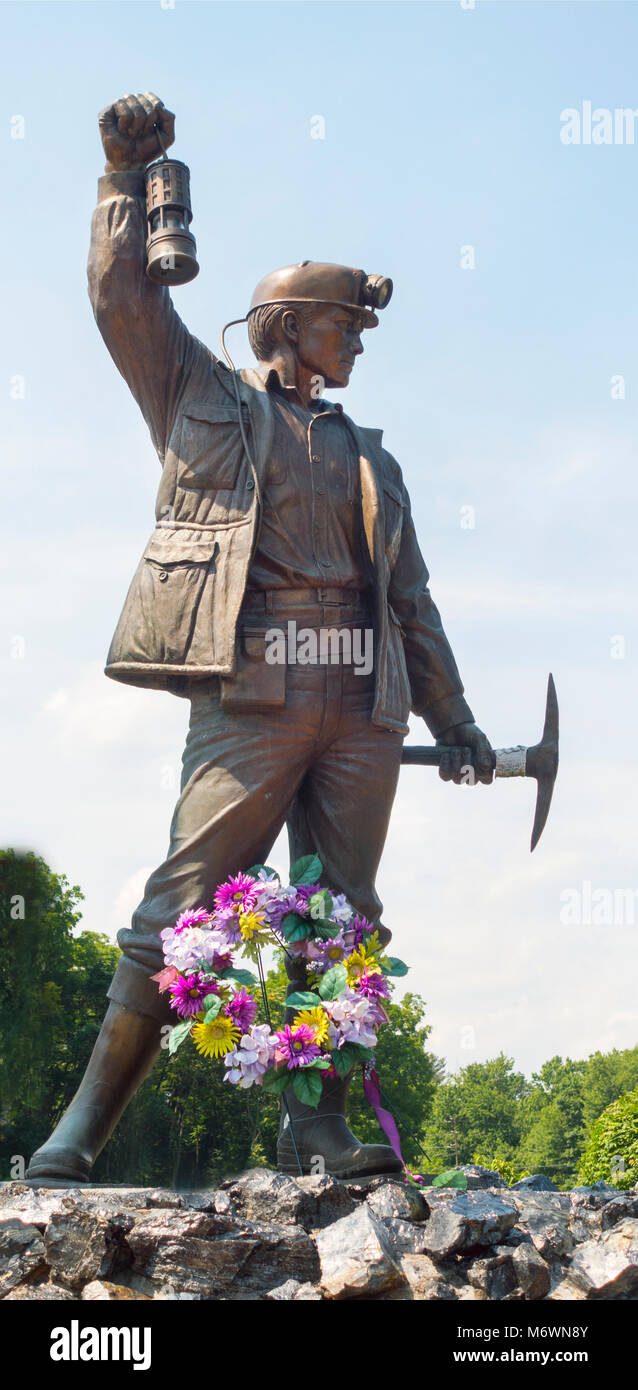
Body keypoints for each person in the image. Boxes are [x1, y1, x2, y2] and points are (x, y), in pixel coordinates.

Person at [27, 92, 493, 1184]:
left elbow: (412, 602)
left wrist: (456, 718)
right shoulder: (203, 395)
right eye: (346, 326)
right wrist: (118, 185)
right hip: (252, 688)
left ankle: (317, 1126)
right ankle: (82, 1128)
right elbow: (120, 300)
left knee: (339, 916)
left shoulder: (374, 458)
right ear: (287, 326)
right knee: (181, 900)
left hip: (362, 707)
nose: (357, 343)